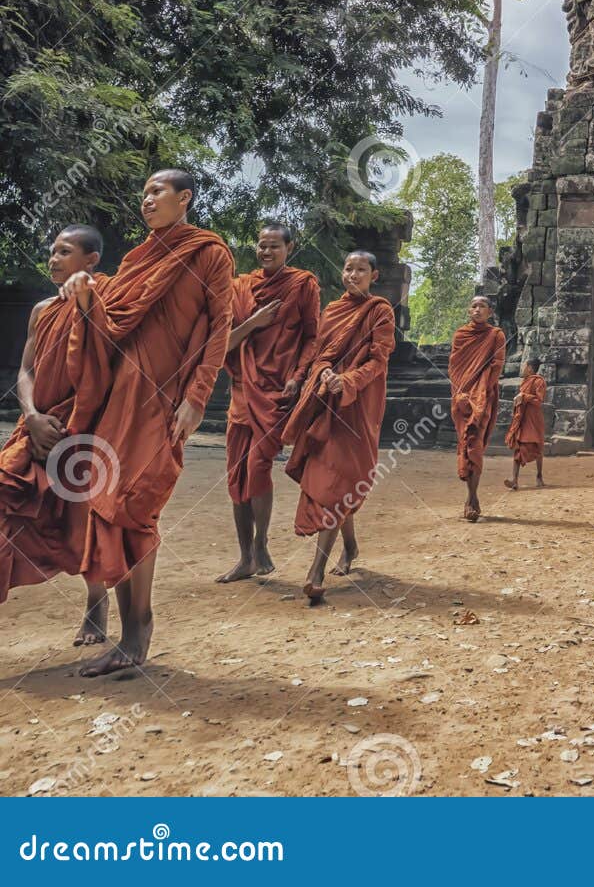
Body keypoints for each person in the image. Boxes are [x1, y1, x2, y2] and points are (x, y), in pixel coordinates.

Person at [68, 170, 234, 677]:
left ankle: (138, 633)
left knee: (137, 506)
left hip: (167, 401)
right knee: (108, 503)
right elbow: (111, 317)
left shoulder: (209, 254)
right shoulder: (138, 260)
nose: (146, 200)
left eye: (157, 192)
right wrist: (84, 289)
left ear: (184, 199)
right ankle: (128, 634)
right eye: (142, 193)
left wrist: (197, 398)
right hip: (122, 397)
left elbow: (220, 326)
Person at [0, 227, 112, 645]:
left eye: (64, 252)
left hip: (84, 429)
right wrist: (31, 415)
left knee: (82, 518)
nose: (53, 259)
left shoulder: (107, 307)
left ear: (91, 260)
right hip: (35, 428)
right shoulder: (42, 310)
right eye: (52, 251)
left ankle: (96, 604)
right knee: (6, 499)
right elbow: (25, 370)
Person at [283, 251, 395, 604]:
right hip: (326, 404)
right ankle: (339, 554)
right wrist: (320, 373)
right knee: (332, 481)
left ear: (373, 275)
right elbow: (320, 352)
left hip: (359, 405)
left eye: (361, 269)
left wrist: (347, 380)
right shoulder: (332, 310)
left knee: (341, 477)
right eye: (348, 268)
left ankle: (318, 568)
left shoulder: (380, 311)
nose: (353, 275)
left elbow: (380, 358)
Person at [217, 223, 320, 583]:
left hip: (277, 391)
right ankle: (245, 556)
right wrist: (254, 323)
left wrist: (298, 374)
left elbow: (312, 337)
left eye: (274, 246)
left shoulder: (303, 284)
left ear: (289, 248)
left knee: (258, 466)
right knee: (235, 473)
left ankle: (261, 546)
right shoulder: (239, 288)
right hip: (242, 390)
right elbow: (222, 344)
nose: (266, 252)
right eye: (262, 246)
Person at [449, 295, 506, 523]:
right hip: (461, 396)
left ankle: (471, 498)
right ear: (468, 310)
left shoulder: (496, 335)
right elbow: (454, 367)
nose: (478, 309)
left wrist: (480, 393)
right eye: (474, 306)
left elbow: (496, 366)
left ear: (490, 312)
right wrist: (461, 393)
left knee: (476, 443)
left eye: (482, 306)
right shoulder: (461, 335)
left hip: (484, 395)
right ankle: (471, 497)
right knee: (465, 443)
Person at [504, 356, 546, 490]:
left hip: (533, 420)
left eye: (524, 366)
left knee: (537, 448)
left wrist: (524, 397)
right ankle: (514, 480)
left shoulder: (539, 382)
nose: (523, 368)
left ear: (530, 368)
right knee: (518, 448)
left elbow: (539, 401)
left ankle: (539, 476)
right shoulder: (525, 381)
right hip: (523, 420)